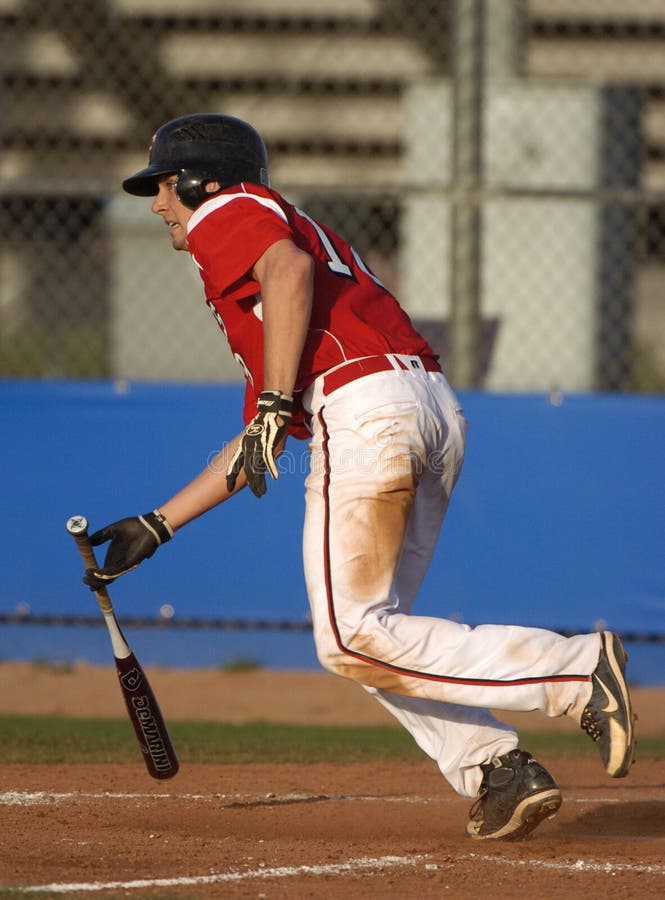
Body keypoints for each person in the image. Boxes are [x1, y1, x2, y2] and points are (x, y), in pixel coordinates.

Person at [84, 114, 635, 841]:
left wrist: (276, 402)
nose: (158, 205)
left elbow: (287, 271)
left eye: (163, 185)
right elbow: (257, 443)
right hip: (422, 407)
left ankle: (573, 670)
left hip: (365, 409)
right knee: (374, 635)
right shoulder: (278, 295)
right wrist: (158, 524)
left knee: (348, 637)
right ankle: (496, 769)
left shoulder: (230, 208)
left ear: (200, 180)